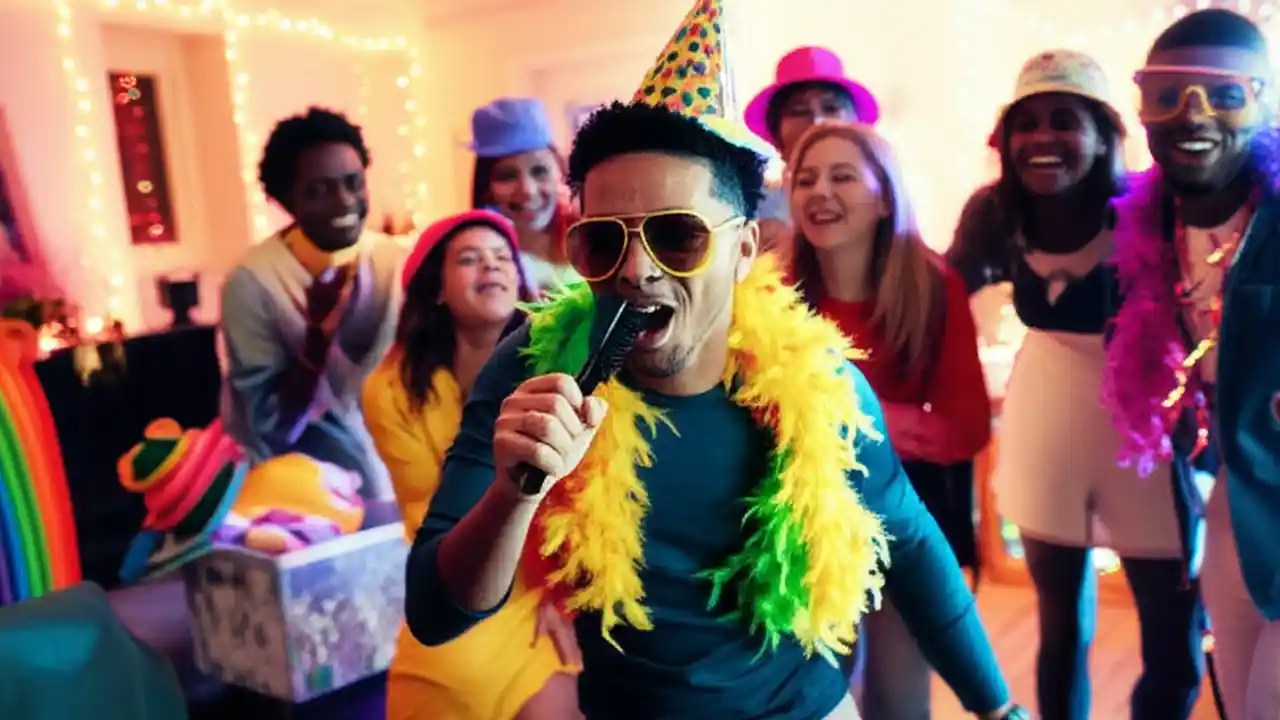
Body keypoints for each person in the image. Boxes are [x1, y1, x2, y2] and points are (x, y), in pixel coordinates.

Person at [403, 2, 1025, 718]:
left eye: (677, 236)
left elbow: (913, 549)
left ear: (745, 251)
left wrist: (999, 709)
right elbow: (435, 612)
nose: (635, 270)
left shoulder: (820, 385)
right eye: (604, 241)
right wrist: (516, 493)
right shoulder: (534, 371)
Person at [949, 50, 1205, 720]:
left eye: (1064, 120)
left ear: (1101, 134)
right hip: (1046, 418)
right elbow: (939, 301)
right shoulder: (993, 213)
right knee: (1061, 630)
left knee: (1175, 643)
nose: (1042, 138)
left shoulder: (1154, 210)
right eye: (1025, 124)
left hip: (1144, 429)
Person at [1104, 9, 1280, 718]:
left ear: (1264, 101)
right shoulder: (1147, 222)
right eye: (1166, 94)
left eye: (1224, 93)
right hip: (1236, 499)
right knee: (1239, 698)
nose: (1192, 114)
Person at [788, 121, 991, 719]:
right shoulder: (774, 294)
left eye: (842, 176)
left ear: (883, 197)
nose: (820, 191)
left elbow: (966, 426)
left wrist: (855, 424)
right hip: (803, 523)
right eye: (806, 180)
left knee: (900, 703)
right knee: (816, 697)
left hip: (904, 519)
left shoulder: (932, 286)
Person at [363, 209, 581, 719]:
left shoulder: (561, 365)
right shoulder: (392, 390)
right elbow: (428, 508)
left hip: (542, 585)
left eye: (503, 256)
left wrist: (560, 594)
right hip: (456, 572)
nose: (492, 266)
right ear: (436, 290)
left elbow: (585, 496)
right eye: (469, 258)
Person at [220, 107, 399, 500]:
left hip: (402, 480)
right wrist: (317, 338)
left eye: (354, 182)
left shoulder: (396, 262)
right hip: (301, 499)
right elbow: (270, 425)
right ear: (286, 200)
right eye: (319, 190)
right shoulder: (252, 282)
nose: (344, 201)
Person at [744, 46, 879, 255]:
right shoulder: (750, 206)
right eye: (799, 111)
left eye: (831, 108)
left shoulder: (881, 197)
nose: (817, 122)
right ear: (776, 134)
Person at [469, 98, 582, 295]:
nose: (528, 190)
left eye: (539, 171)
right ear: (486, 187)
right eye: (507, 176)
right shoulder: (479, 262)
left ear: (560, 172)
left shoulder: (590, 231)